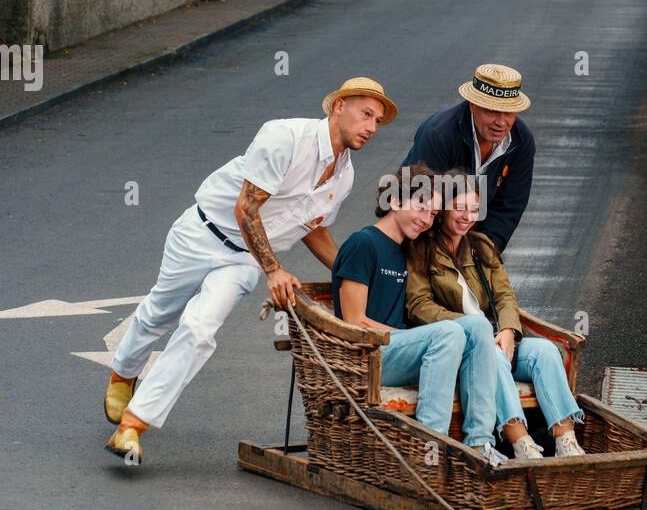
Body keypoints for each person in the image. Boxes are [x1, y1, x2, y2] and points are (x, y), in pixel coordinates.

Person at [103, 77, 398, 465]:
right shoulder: (285, 136)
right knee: (160, 313)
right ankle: (124, 373)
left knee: (199, 328)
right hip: (202, 233)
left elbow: (315, 229)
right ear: (339, 106)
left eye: (378, 121)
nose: (372, 128)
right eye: (366, 114)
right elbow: (247, 208)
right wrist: (274, 269)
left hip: (245, 260)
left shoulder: (344, 176)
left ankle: (133, 425)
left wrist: (358, 276)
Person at [406, 182, 585, 459]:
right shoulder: (421, 249)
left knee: (547, 352)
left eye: (474, 209)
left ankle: (566, 441)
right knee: (494, 357)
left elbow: (504, 295)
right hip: (464, 344)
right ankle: (521, 442)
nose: (467, 216)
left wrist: (509, 330)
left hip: (498, 335)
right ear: (443, 209)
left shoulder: (481, 246)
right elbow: (419, 306)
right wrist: (473, 330)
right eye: (460, 208)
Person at [332, 165, 495, 447]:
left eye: (432, 214)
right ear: (394, 200)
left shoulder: (409, 249)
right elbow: (354, 321)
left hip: (402, 350)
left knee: (478, 325)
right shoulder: (363, 243)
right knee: (448, 333)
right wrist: (417, 337)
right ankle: (430, 446)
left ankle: (480, 445)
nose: (426, 220)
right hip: (367, 354)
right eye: (420, 207)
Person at [401, 63, 535, 253]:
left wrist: (483, 254)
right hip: (424, 234)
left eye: (509, 112)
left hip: (473, 237)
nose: (501, 122)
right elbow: (416, 202)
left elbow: (509, 207)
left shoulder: (522, 140)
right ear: (473, 105)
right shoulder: (439, 134)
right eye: (492, 110)